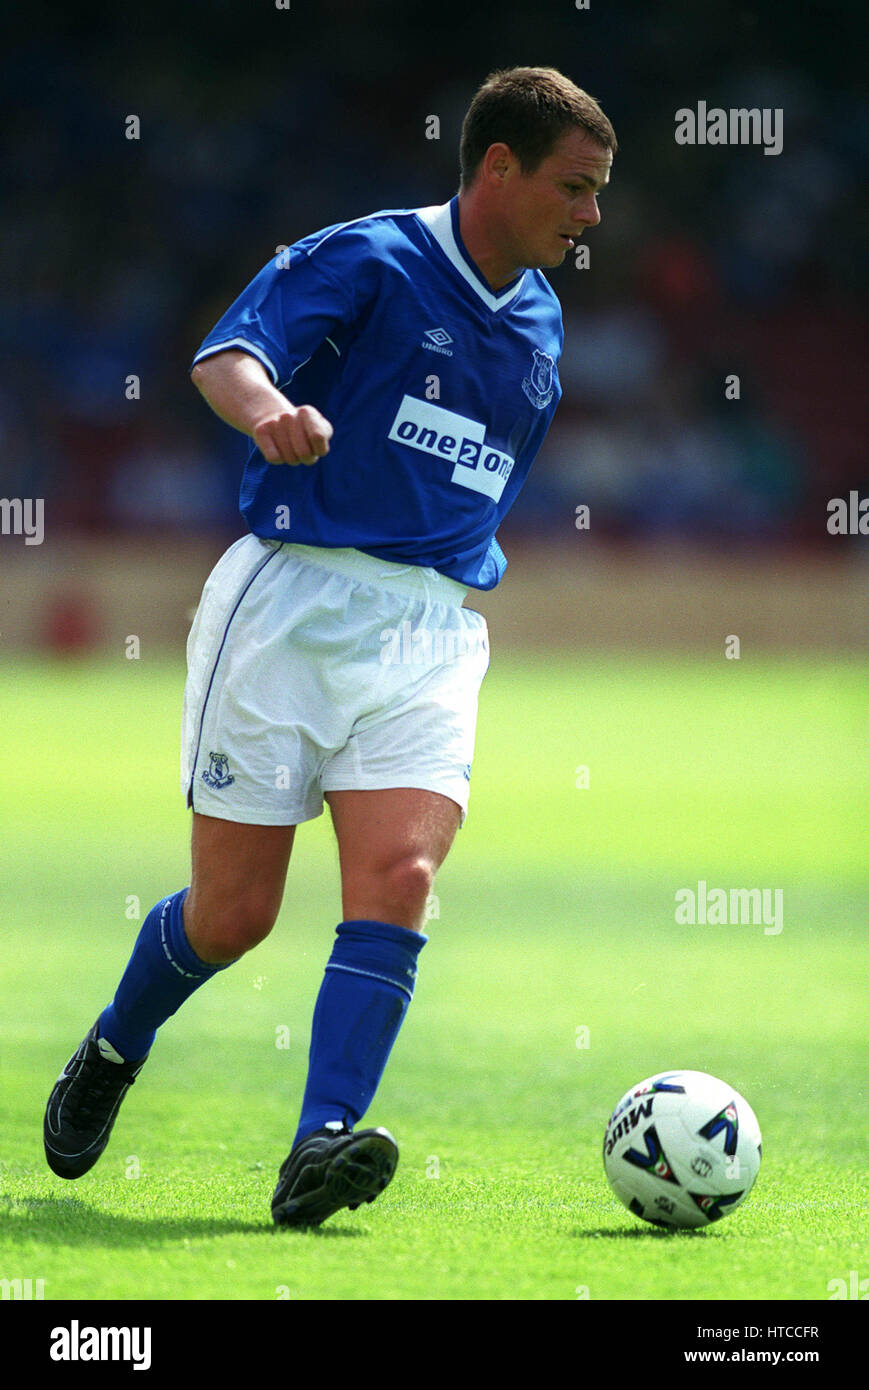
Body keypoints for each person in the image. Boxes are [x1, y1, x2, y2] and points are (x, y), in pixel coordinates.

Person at [43, 66, 615, 1228]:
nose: (590, 216)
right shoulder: (370, 258)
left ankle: (321, 1142)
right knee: (234, 914)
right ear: (495, 166)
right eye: (573, 187)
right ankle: (111, 1047)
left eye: (598, 193)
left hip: (430, 630)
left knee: (401, 878)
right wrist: (271, 415)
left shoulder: (545, 316)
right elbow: (225, 355)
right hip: (292, 605)